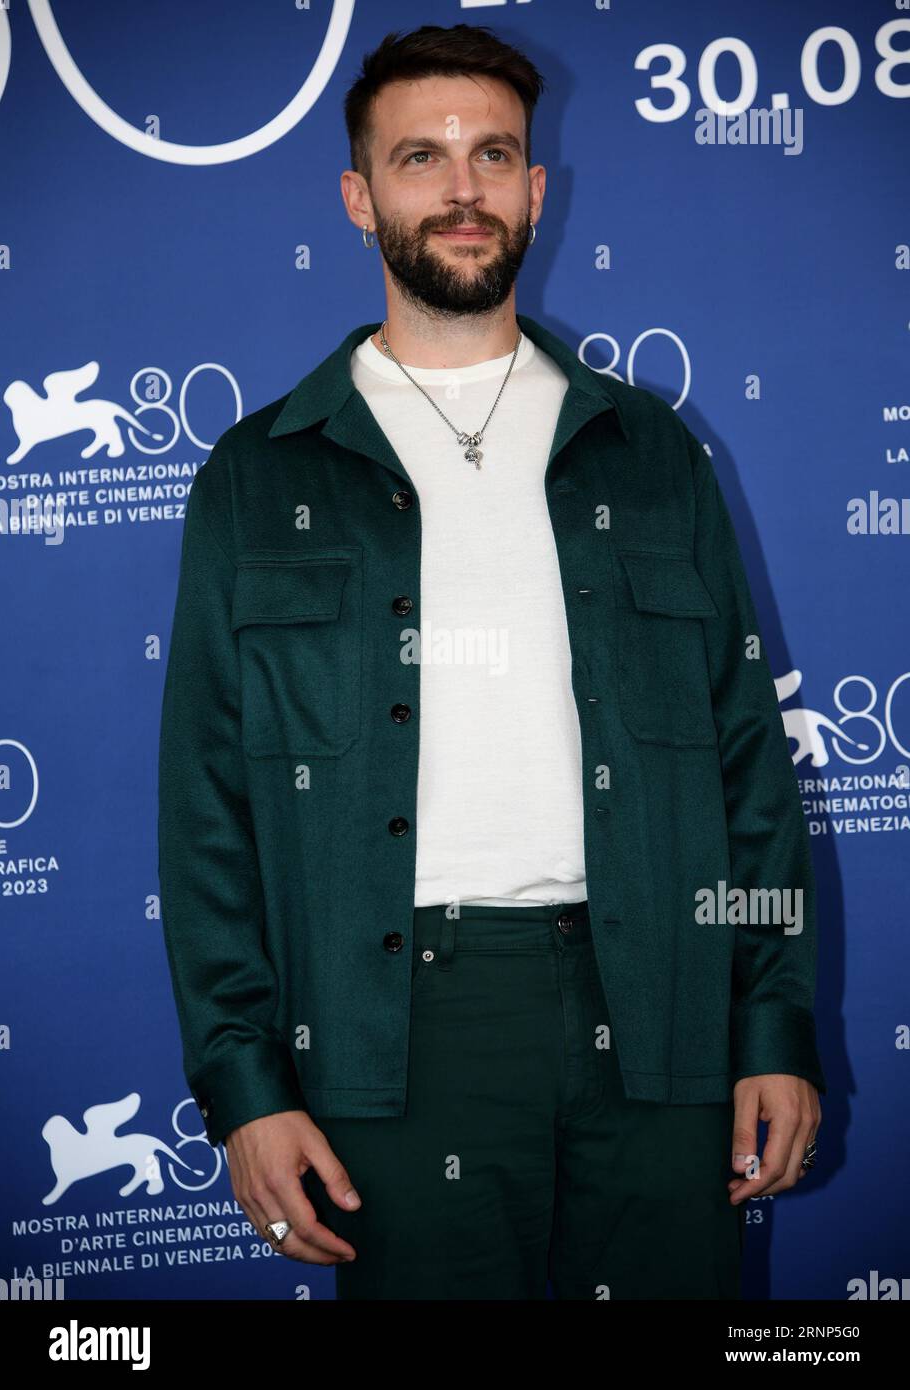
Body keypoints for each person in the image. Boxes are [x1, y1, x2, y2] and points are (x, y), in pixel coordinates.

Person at [157, 23, 824, 1300]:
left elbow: (750, 771)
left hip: (661, 1023)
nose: (460, 188)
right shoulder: (260, 476)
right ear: (360, 200)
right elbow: (206, 815)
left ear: (532, 189)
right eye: (421, 157)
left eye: (492, 156)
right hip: (399, 1034)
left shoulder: (650, 453)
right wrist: (244, 1084)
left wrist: (771, 1024)